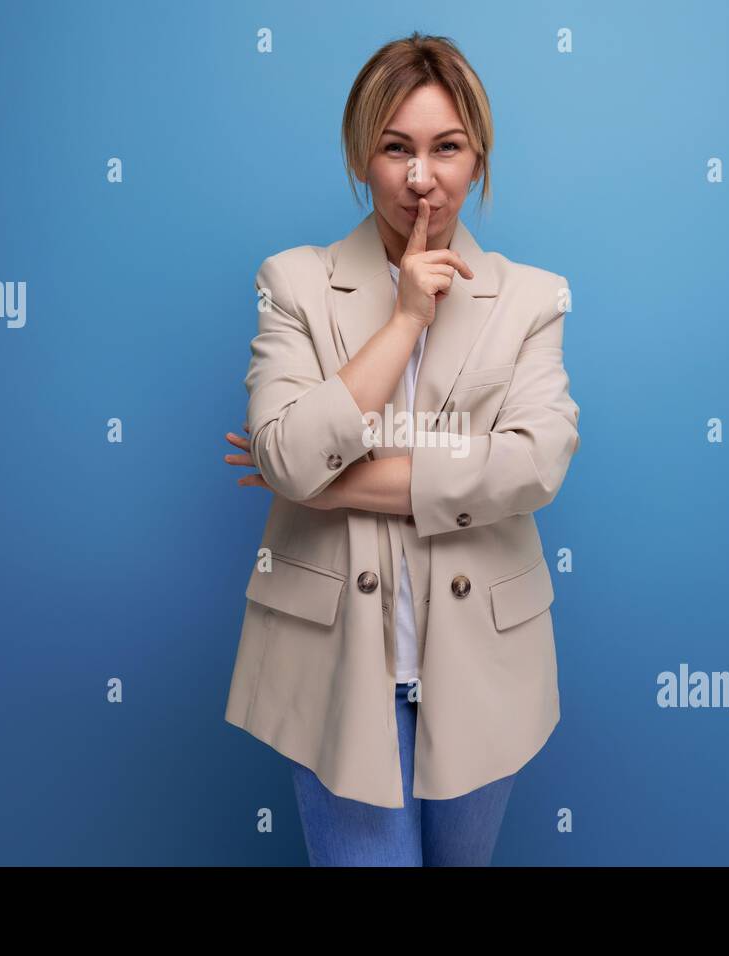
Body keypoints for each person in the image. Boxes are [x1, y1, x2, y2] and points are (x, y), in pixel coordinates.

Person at [222, 31, 579, 866]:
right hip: (336, 670)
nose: (422, 178)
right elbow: (288, 455)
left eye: (446, 148)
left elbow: (533, 463)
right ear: (362, 158)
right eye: (396, 149)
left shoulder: (529, 299)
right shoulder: (294, 282)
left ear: (478, 158)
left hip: (485, 667)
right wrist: (406, 320)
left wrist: (332, 485)